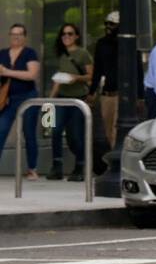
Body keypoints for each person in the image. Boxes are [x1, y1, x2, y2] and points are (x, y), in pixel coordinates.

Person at [47, 22, 93, 182]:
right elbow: (58, 79)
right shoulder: (61, 54)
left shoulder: (83, 53)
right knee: (55, 130)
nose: (66, 36)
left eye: (70, 34)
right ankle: (57, 166)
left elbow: (90, 76)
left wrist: (76, 78)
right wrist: (50, 100)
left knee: (75, 136)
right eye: (64, 34)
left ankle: (80, 166)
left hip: (77, 100)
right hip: (61, 98)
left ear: (77, 36)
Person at [0, 23, 41, 180]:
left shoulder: (29, 53)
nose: (16, 37)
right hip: (7, 100)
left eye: (19, 34)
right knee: (1, 131)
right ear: (9, 36)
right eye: (13, 34)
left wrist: (7, 71)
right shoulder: (2, 53)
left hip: (27, 98)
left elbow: (31, 75)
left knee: (29, 133)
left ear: (24, 37)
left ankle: (32, 169)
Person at [92, 11, 120, 143]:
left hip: (123, 94)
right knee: (108, 130)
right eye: (107, 24)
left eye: (112, 24)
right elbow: (97, 68)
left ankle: (117, 162)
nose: (108, 27)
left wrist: (140, 96)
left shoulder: (128, 43)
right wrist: (92, 91)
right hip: (107, 93)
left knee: (117, 129)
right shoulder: (101, 43)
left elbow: (136, 68)